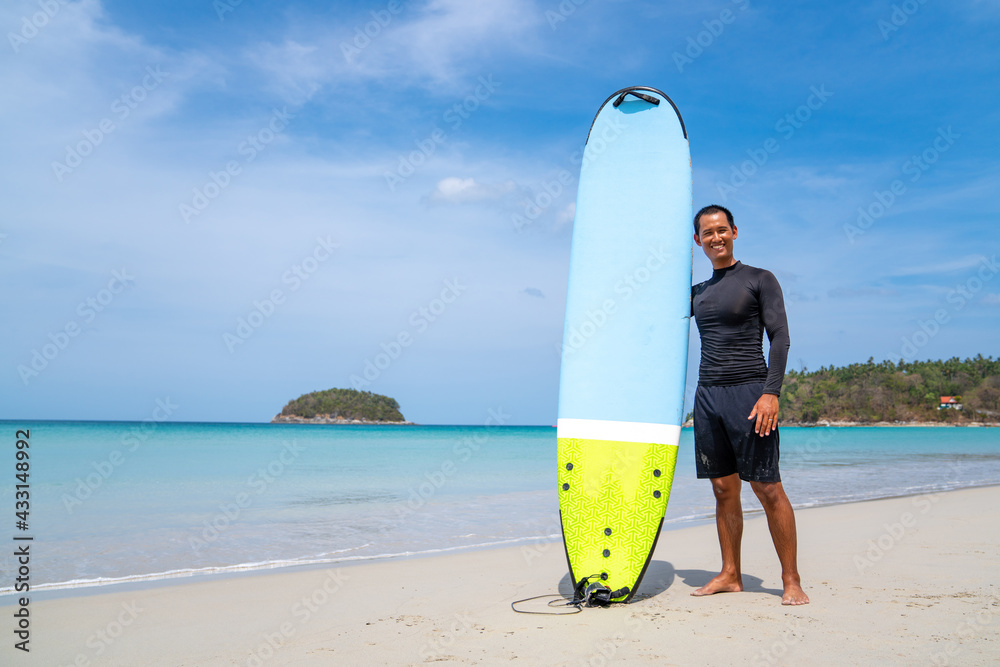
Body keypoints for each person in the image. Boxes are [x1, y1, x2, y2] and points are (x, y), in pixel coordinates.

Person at [689, 204, 809, 606]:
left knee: (767, 486)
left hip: (750, 392)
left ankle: (790, 579)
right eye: (708, 233)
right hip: (708, 396)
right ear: (698, 240)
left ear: (735, 232)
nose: (716, 238)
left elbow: (780, 338)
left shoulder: (759, 279)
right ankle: (730, 574)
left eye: (722, 230)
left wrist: (771, 392)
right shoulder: (698, 294)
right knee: (724, 490)